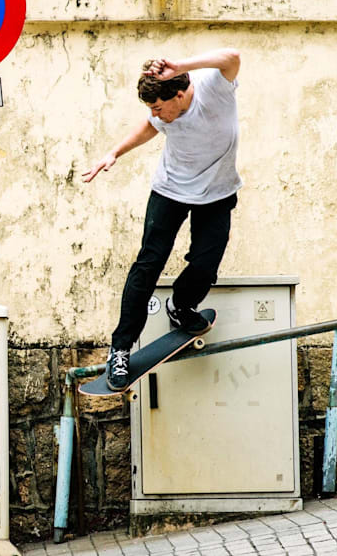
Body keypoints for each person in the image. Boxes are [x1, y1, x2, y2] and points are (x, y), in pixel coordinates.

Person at [81, 49, 242, 391]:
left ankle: (181, 306)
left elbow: (232, 56)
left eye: (158, 108)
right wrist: (114, 153)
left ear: (179, 94)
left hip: (216, 193)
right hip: (170, 190)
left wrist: (180, 66)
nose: (156, 115)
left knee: (205, 263)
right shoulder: (162, 112)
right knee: (148, 264)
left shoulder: (213, 87)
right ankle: (120, 349)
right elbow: (147, 127)